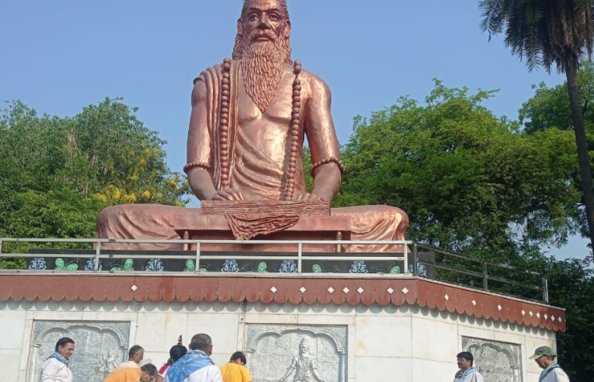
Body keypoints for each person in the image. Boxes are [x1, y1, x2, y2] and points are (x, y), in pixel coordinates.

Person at [94, 0, 408, 253]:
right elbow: (197, 167)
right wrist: (214, 196)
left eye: (272, 16)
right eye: (253, 16)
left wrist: (317, 198)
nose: (262, 24)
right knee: (117, 218)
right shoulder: (213, 83)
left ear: (285, 27)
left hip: (293, 212)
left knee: (390, 219)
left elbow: (328, 167)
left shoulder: (311, 85)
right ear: (241, 26)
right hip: (225, 211)